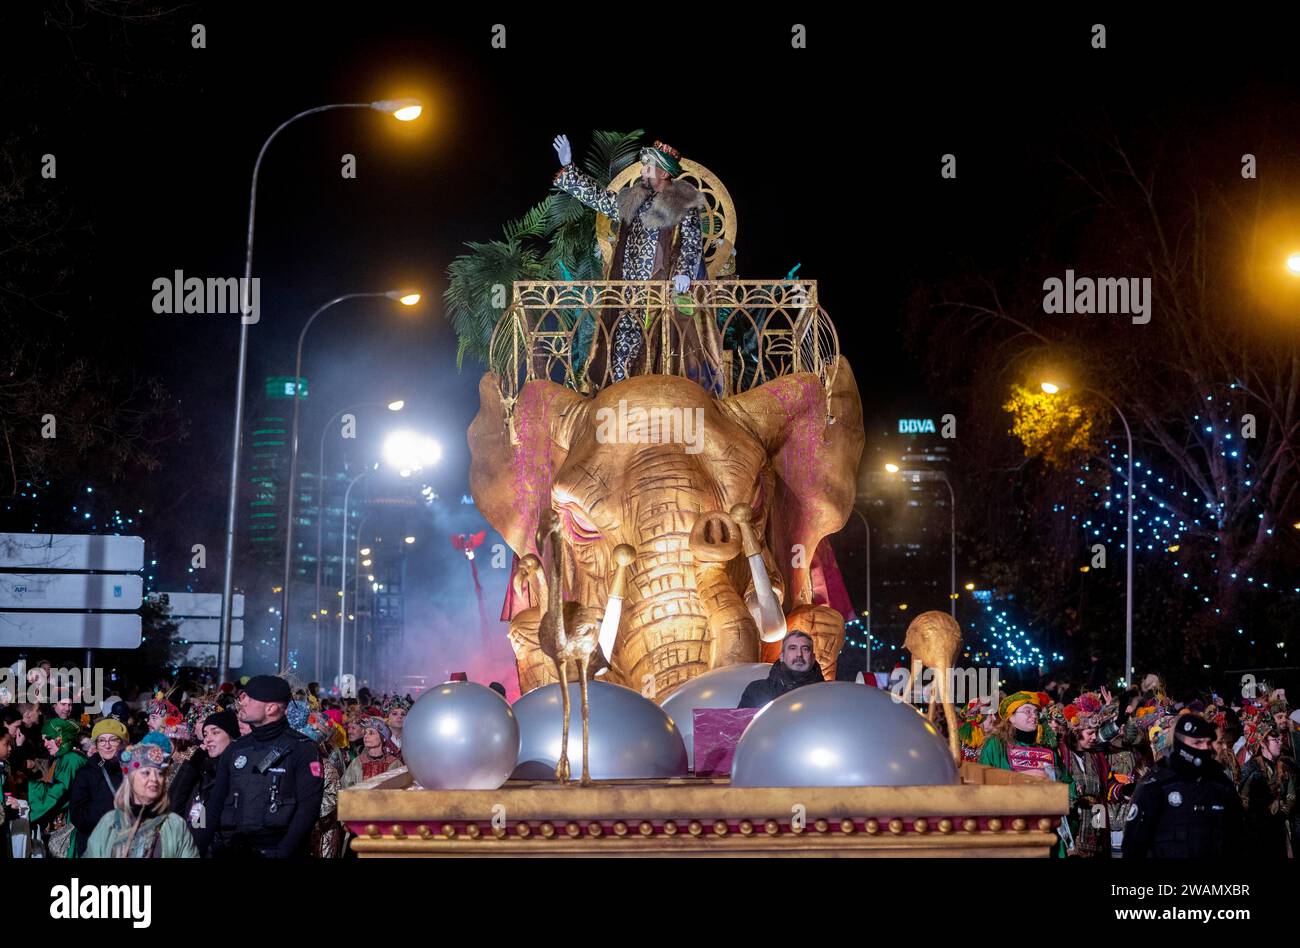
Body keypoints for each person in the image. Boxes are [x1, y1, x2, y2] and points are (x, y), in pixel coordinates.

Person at [550, 134, 710, 384]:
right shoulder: (633, 200)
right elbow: (599, 199)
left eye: (648, 166)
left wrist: (684, 272)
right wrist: (570, 170)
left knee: (660, 350)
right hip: (627, 292)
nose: (643, 171)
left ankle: (657, 404)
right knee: (621, 348)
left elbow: (691, 243)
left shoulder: (684, 204)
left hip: (661, 295)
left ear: (665, 173)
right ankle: (620, 398)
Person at [197, 675, 324, 859]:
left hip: (278, 851)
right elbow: (214, 806)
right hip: (233, 850)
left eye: (249, 698)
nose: (242, 702)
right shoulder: (235, 749)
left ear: (271, 708)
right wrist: (197, 850)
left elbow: (308, 810)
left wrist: (281, 854)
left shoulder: (302, 749)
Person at [1123, 712, 1246, 858]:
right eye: (1197, 743)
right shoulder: (1155, 783)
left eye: (1207, 743)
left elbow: (1238, 835)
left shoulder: (1220, 782)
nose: (1204, 748)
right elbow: (1133, 845)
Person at [84, 733, 196, 858]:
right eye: (146, 773)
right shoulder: (109, 822)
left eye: (159, 773)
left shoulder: (175, 824)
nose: (154, 778)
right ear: (131, 779)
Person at [169, 708, 239, 838]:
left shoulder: (237, 772)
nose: (208, 739)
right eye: (205, 734)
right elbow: (175, 807)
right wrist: (193, 764)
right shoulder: (203, 771)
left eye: (215, 732)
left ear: (231, 735)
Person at [67, 718, 128, 857]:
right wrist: (111, 814)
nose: (107, 745)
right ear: (96, 744)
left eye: (113, 740)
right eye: (102, 740)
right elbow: (77, 816)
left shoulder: (130, 771)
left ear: (122, 743)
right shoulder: (86, 773)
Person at [29, 716, 87, 855]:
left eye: (49, 738)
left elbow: (58, 792)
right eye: (44, 740)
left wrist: (29, 792)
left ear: (61, 737)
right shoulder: (65, 757)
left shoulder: (71, 760)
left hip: (73, 825)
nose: (45, 744)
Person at [1237, 721, 1295, 858]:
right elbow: (1244, 802)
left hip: (1281, 828)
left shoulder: (1284, 766)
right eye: (1275, 740)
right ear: (1263, 743)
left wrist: (1284, 808)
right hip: (1259, 831)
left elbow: (1291, 794)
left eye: (1279, 739)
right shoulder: (1252, 769)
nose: (1280, 742)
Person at [738, 630, 825, 709]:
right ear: (782, 656)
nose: (799, 654)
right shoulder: (756, 690)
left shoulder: (828, 693)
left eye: (805, 649)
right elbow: (741, 724)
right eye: (792, 648)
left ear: (813, 658)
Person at [341, 717, 402, 788]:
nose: (366, 736)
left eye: (371, 733)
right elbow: (345, 787)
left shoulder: (394, 763)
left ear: (383, 738)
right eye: (365, 733)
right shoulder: (357, 762)